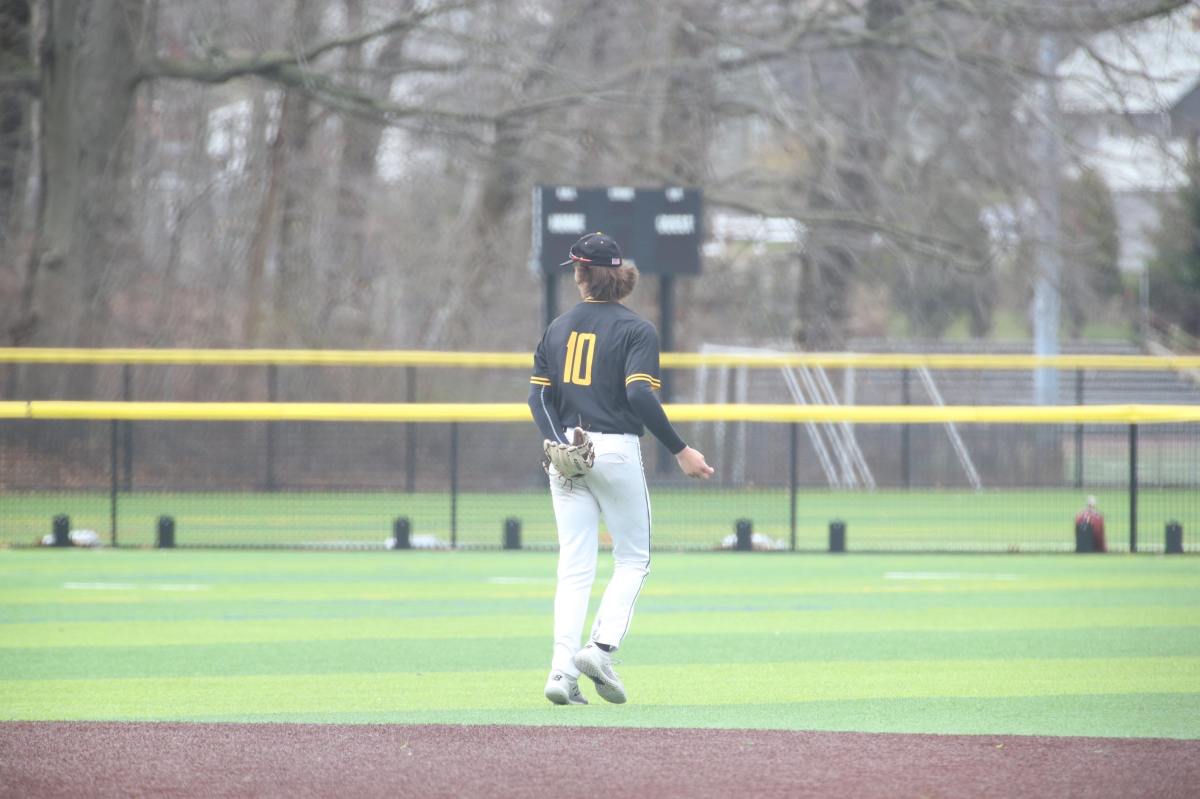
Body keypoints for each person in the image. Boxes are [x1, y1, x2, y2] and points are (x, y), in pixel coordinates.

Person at [529, 232, 714, 706]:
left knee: (573, 568)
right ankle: (601, 646)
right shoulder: (638, 330)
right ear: (621, 276)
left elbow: (539, 396)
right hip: (613, 449)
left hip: (566, 447)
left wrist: (555, 441)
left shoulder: (557, 327)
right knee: (633, 559)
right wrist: (680, 449)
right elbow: (638, 394)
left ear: (582, 275)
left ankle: (559, 673)